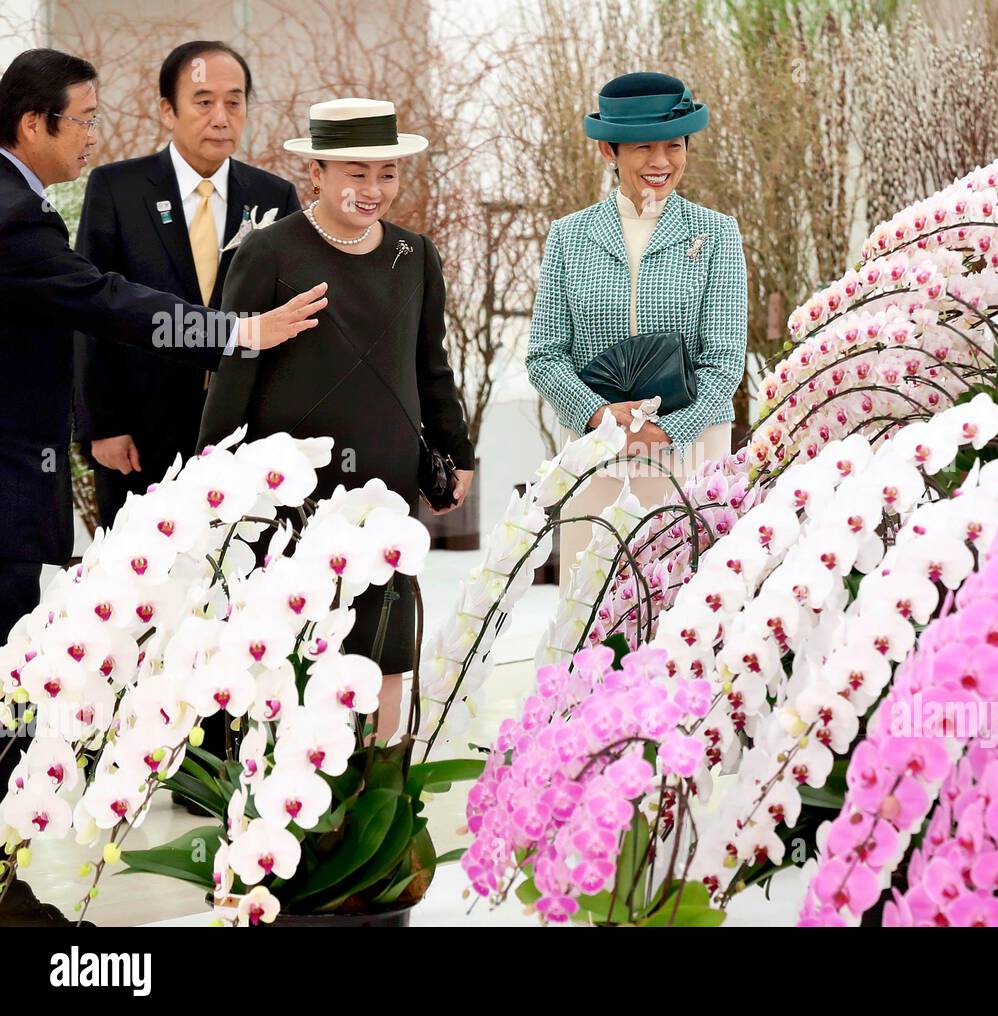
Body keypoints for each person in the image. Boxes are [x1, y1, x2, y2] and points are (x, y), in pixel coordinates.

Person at [0, 47, 324, 923]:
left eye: (235, 100)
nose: (95, 135)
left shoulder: (268, 194)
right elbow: (103, 304)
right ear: (36, 124)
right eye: (86, 118)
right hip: (59, 465)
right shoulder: (26, 217)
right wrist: (236, 330)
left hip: (235, 452)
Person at [197, 98, 474, 743]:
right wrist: (213, 470)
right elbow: (234, 363)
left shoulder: (416, 255)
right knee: (291, 627)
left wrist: (455, 451)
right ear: (316, 174)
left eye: (387, 174)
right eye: (356, 173)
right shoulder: (267, 253)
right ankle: (282, 762)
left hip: (386, 478)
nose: (373, 189)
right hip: (289, 481)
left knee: (388, 627)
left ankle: (382, 770)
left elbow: (430, 365)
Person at [526, 72, 748, 580]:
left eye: (673, 145)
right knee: (592, 604)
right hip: (594, 451)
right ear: (610, 151)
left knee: (681, 611)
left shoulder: (715, 234)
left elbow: (724, 361)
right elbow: (545, 355)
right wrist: (599, 418)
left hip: (689, 453)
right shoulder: (570, 236)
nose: (661, 162)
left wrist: (664, 430)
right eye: (643, 147)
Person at [74, 40, 302, 530]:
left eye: (234, 101)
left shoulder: (273, 195)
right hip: (140, 433)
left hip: (243, 433)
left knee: (234, 581)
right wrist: (103, 426)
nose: (220, 116)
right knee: (141, 585)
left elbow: (289, 317)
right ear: (167, 109)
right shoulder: (117, 189)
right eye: (203, 101)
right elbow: (90, 315)